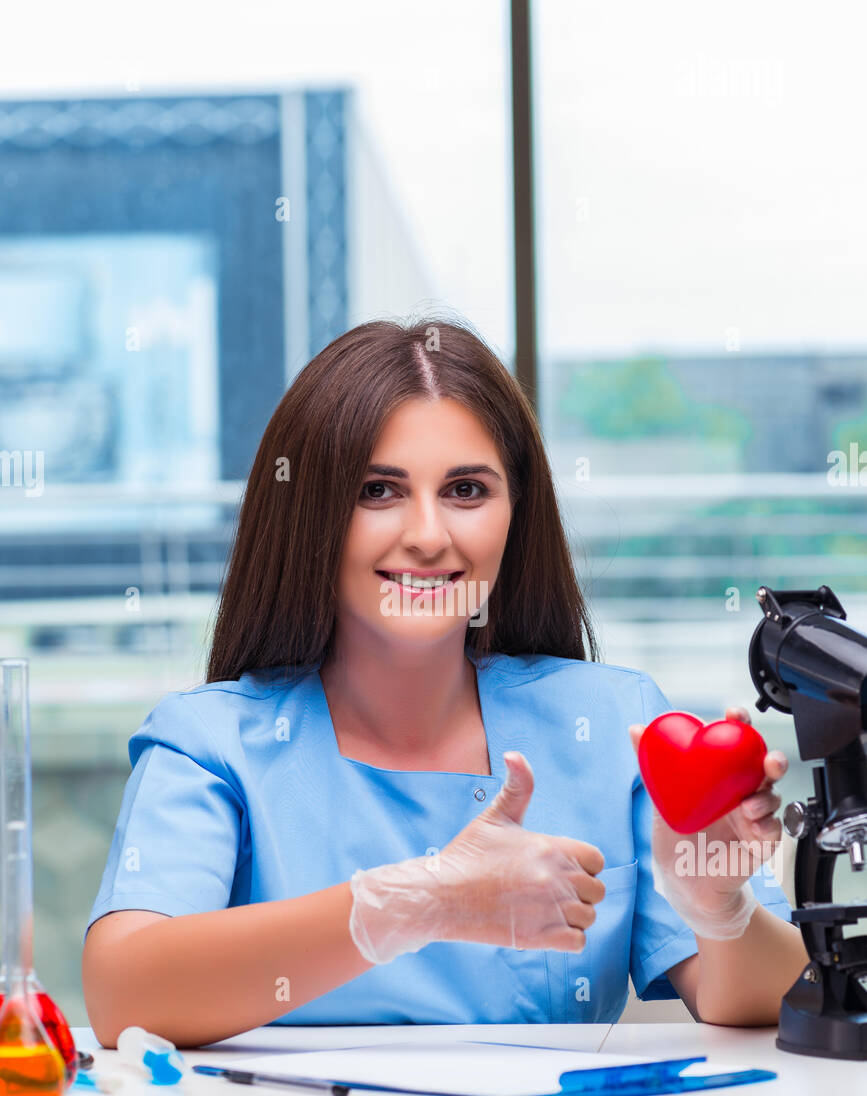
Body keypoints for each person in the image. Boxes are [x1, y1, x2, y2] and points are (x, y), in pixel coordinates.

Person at [82, 316, 808, 1048]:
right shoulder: (211, 743)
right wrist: (422, 901)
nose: (429, 535)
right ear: (308, 514)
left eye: (465, 490)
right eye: (377, 490)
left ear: (515, 513)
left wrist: (720, 908)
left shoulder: (612, 722)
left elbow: (766, 999)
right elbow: (122, 993)